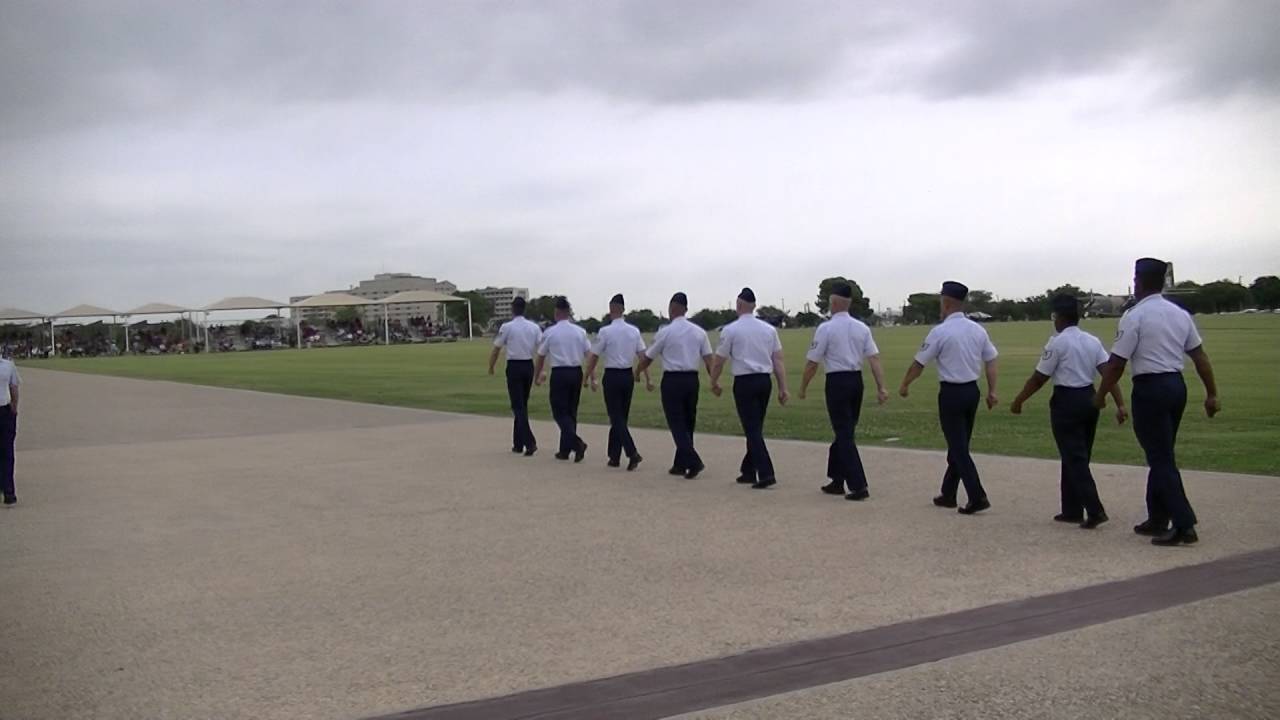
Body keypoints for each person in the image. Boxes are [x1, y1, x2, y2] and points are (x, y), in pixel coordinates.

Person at [1094, 257, 1220, 547]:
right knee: (1162, 452)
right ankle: (1157, 516)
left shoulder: (1135, 316)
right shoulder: (1179, 314)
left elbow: (1116, 364)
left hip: (1150, 388)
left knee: (1159, 457)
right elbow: (1199, 356)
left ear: (1138, 282)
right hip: (1176, 385)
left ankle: (1184, 523)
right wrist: (1211, 393)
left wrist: (1101, 395)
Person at [1010, 294, 1127, 528]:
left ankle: (1094, 510)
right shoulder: (1092, 341)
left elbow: (1039, 378)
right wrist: (1120, 403)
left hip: (1067, 401)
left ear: (1060, 318)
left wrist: (1019, 400)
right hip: (1089, 398)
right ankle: (1071, 508)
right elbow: (1108, 373)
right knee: (1076, 456)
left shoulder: (1057, 343)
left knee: (1074, 458)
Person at [899, 281, 998, 514]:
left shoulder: (940, 332)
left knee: (958, 447)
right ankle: (948, 493)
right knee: (959, 444)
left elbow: (919, 363)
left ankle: (977, 495)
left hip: (952, 393)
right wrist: (992, 390)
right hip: (972, 391)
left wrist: (905, 384)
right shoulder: (977, 330)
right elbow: (991, 360)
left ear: (946, 302)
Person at [798, 282, 888, 501]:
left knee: (844, 433)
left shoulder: (826, 329)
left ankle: (858, 484)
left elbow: (813, 362)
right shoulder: (861, 328)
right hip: (856, 381)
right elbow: (873, 358)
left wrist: (803, 386)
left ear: (834, 303)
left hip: (837, 381)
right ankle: (837, 479)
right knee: (845, 431)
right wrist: (881, 386)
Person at [709, 288, 790, 489]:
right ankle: (748, 470)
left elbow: (719, 360)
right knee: (755, 426)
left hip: (745, 382)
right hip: (764, 381)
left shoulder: (731, 330)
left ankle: (766, 472)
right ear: (754, 306)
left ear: (738, 305)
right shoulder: (769, 330)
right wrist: (783, 387)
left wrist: (713, 381)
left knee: (752, 428)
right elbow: (778, 360)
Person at [636, 292, 714, 479]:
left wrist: (637, 371)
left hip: (672, 380)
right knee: (688, 422)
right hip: (691, 379)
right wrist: (714, 380)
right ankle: (681, 463)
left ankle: (693, 460)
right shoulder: (699, 332)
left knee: (676, 422)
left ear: (671, 308)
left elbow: (648, 357)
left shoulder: (665, 332)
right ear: (686, 309)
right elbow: (709, 360)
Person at [585, 294, 650, 471]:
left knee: (616, 417)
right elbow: (643, 356)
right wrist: (647, 377)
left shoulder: (605, 331)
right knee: (621, 417)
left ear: (611, 308)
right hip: (627, 376)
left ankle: (631, 452)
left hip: (612, 376)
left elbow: (594, 356)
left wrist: (586, 375)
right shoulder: (634, 331)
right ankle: (614, 456)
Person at [534, 297, 591, 462]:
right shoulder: (580, 332)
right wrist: (591, 376)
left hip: (560, 373)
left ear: (557, 312)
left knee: (559, 412)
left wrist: (537, 375)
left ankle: (576, 443)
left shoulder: (550, 332)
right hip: (576, 372)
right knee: (571, 412)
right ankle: (565, 450)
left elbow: (541, 356)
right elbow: (589, 355)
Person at [488, 296, 542, 456]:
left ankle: (529, 442)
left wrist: (491, 365)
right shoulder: (534, 327)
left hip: (514, 366)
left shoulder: (507, 327)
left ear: (513, 309)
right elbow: (541, 349)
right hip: (528, 365)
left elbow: (497, 348)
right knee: (522, 405)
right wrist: (541, 370)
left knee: (517, 406)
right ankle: (518, 443)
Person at [1, 349, 19, 506]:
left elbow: (14, 387)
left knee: (7, 451)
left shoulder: (9, 365)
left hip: (5, 410)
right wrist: (14, 406)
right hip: (5, 409)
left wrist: (13, 407)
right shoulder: (8, 366)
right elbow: (14, 388)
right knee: (7, 452)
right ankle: (8, 490)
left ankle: (8, 490)